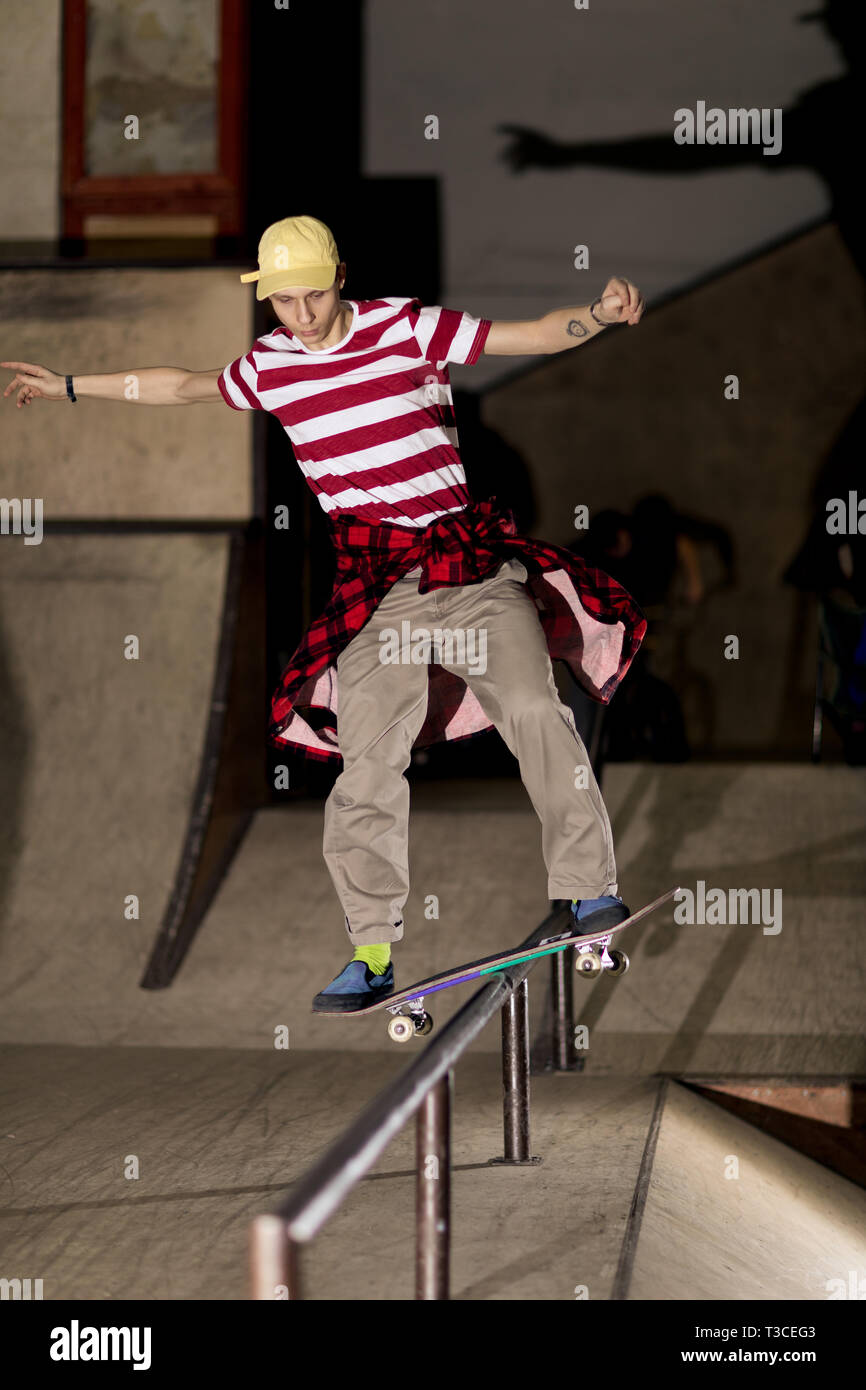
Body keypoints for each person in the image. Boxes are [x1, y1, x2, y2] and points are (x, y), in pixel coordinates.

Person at [2, 214, 648, 1013]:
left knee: (533, 707)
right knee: (366, 762)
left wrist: (596, 315)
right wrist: (68, 385)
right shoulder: (270, 367)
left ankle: (588, 891)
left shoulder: (405, 327)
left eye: (311, 297)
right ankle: (371, 950)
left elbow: (531, 336)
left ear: (340, 274)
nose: (300, 318)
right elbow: (178, 385)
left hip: (470, 569)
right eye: (282, 304)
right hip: (376, 593)